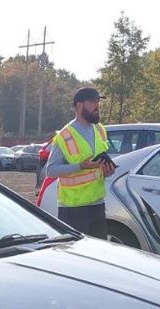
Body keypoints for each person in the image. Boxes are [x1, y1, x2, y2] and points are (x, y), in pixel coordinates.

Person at [44, 87, 115, 238]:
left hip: (97, 204)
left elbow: (99, 166)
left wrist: (107, 171)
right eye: (92, 102)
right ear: (79, 106)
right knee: (77, 258)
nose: (97, 106)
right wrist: (80, 166)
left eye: (98, 101)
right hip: (72, 208)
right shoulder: (65, 135)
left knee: (97, 255)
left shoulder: (100, 130)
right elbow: (50, 170)